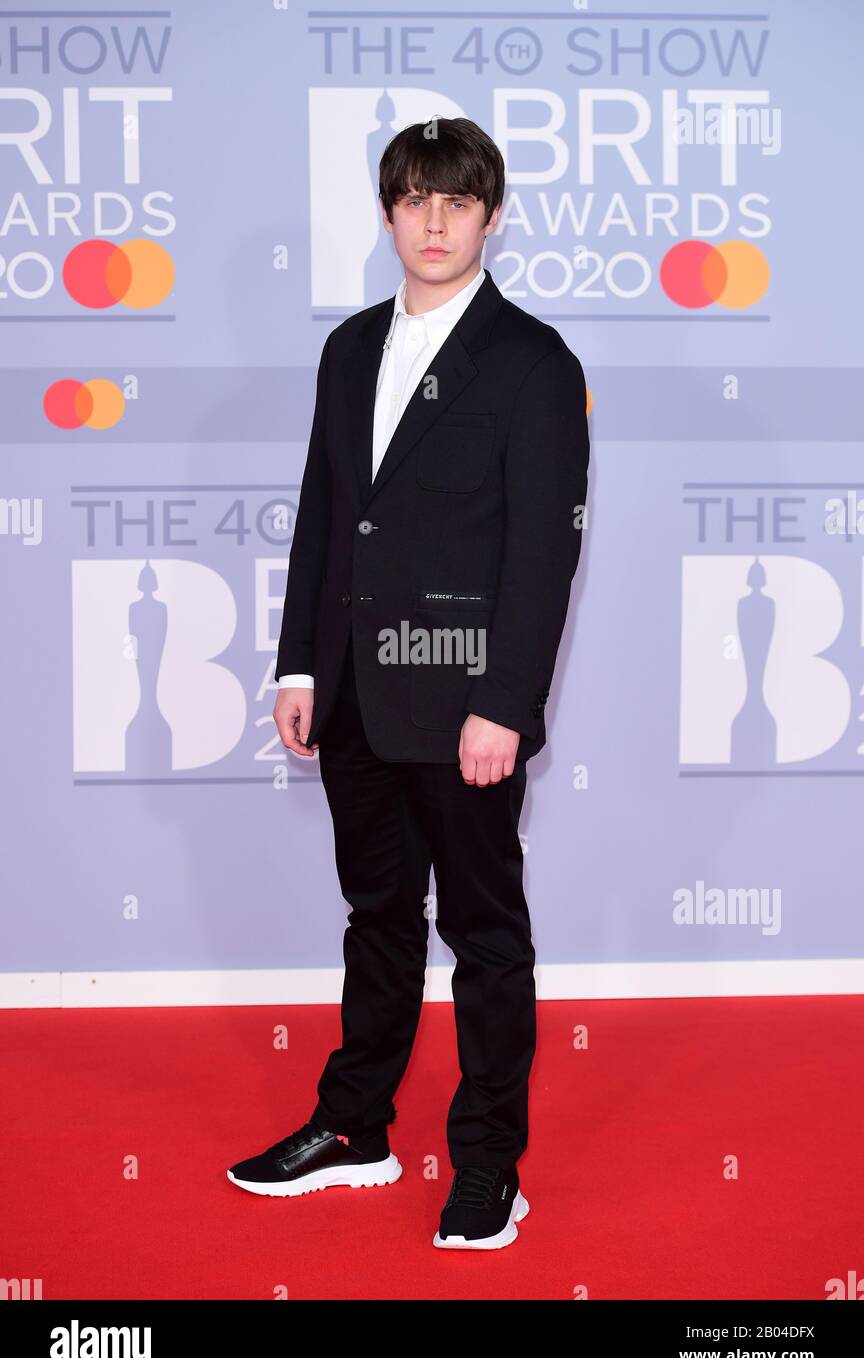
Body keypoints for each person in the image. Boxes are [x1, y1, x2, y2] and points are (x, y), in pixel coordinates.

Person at [227, 116, 590, 1250]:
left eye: (458, 201)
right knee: (378, 916)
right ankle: (355, 1129)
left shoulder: (534, 362)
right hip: (353, 701)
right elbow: (330, 515)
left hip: (464, 705)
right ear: (388, 214)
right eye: (415, 199)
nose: (435, 222)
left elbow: (544, 552)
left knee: (485, 935)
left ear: (492, 215)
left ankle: (488, 1162)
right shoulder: (346, 351)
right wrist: (299, 663)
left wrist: (506, 703)